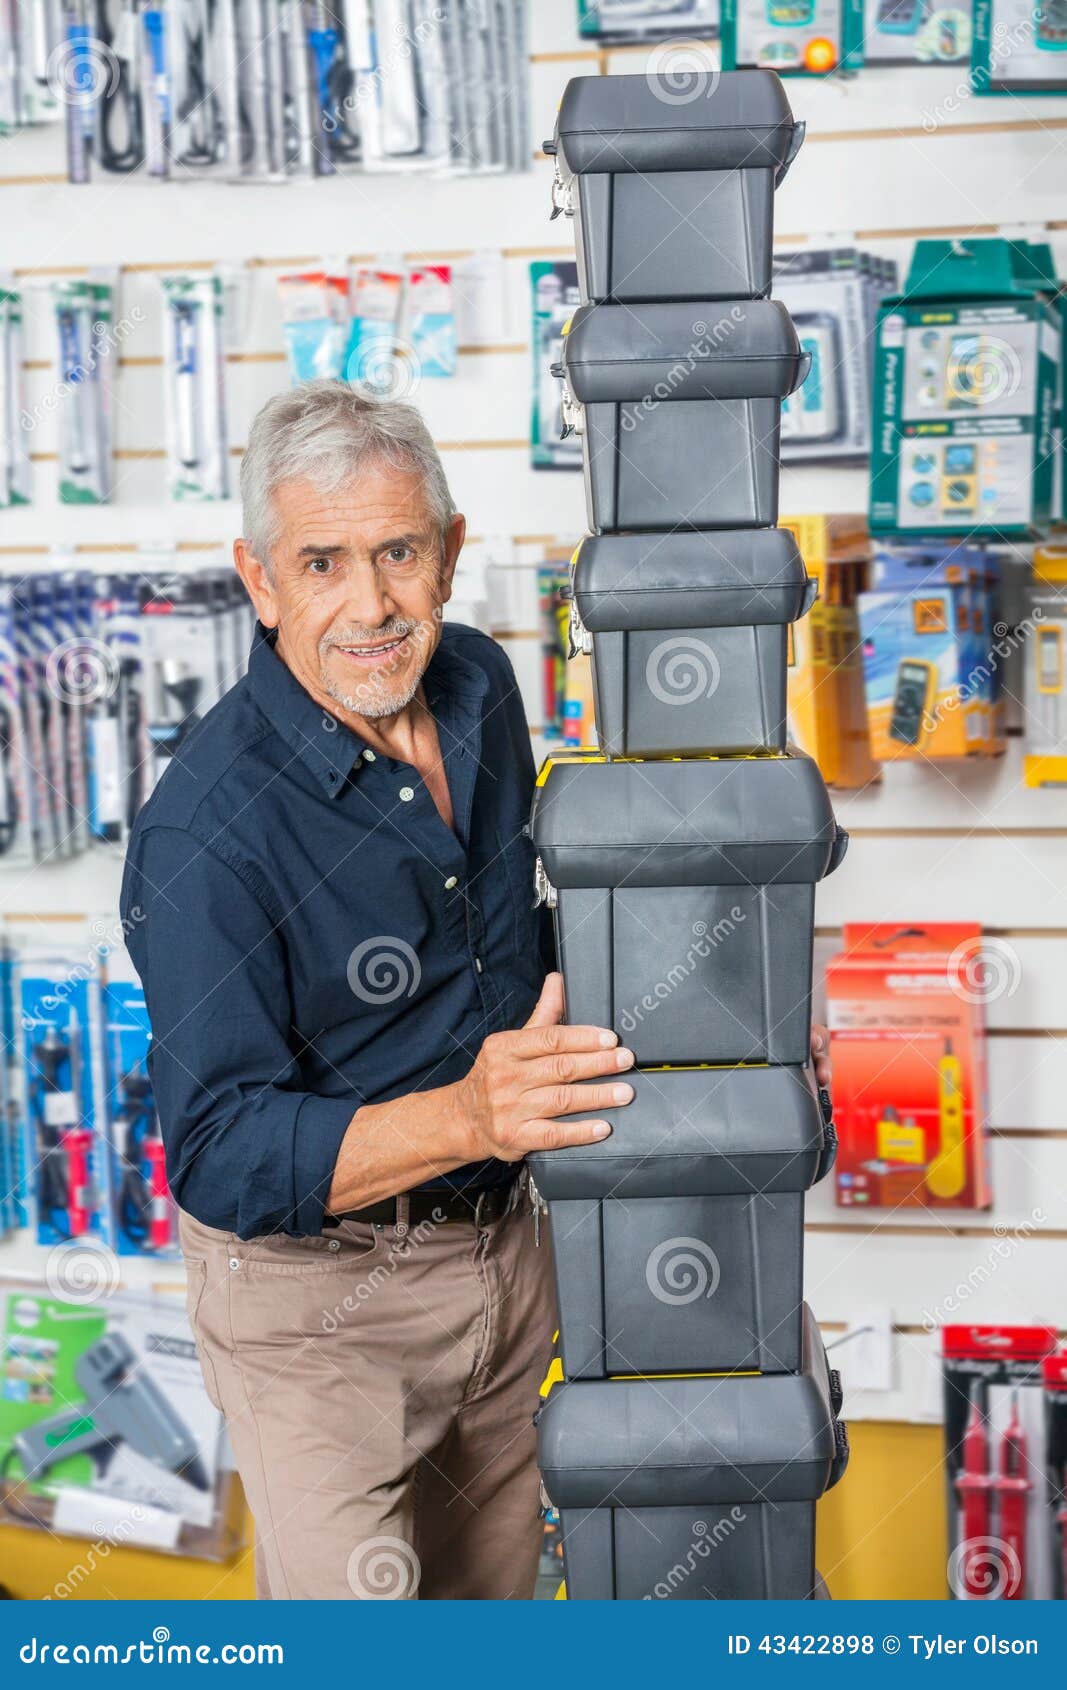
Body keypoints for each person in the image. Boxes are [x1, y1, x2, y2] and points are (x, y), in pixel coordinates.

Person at [121, 378, 831, 1600]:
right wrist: (466, 1116)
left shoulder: (475, 688)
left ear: (448, 550)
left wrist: (723, 994)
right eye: (323, 561)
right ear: (258, 577)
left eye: (397, 550)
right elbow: (221, 1153)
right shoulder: (204, 831)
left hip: (511, 1261)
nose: (370, 604)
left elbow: (516, 949)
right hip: (318, 1318)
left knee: (489, 1626)